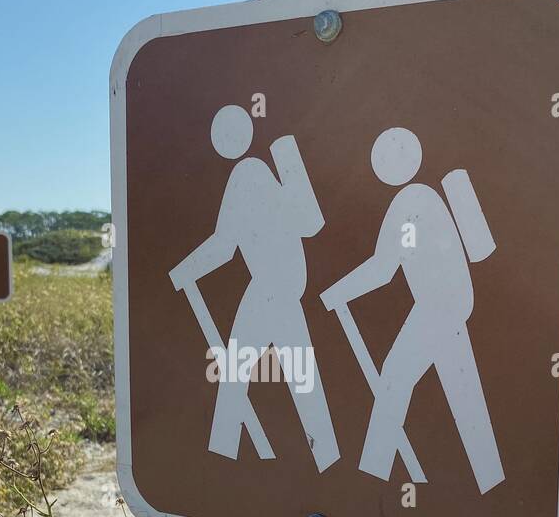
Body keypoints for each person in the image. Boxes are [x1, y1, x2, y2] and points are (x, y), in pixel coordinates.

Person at [319, 126, 504, 494]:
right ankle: (492, 480)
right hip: (451, 304)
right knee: (463, 391)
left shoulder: (409, 203)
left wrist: (336, 293)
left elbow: (384, 267)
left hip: (437, 307)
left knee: (393, 378)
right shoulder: (426, 197)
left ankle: (372, 473)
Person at [169, 104, 340, 472]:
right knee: (282, 375)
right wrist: (186, 272)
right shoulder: (258, 174)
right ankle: (324, 457)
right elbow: (229, 243)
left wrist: (184, 272)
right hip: (281, 289)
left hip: (269, 289)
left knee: (241, 373)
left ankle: (224, 453)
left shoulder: (247, 173)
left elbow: (224, 244)